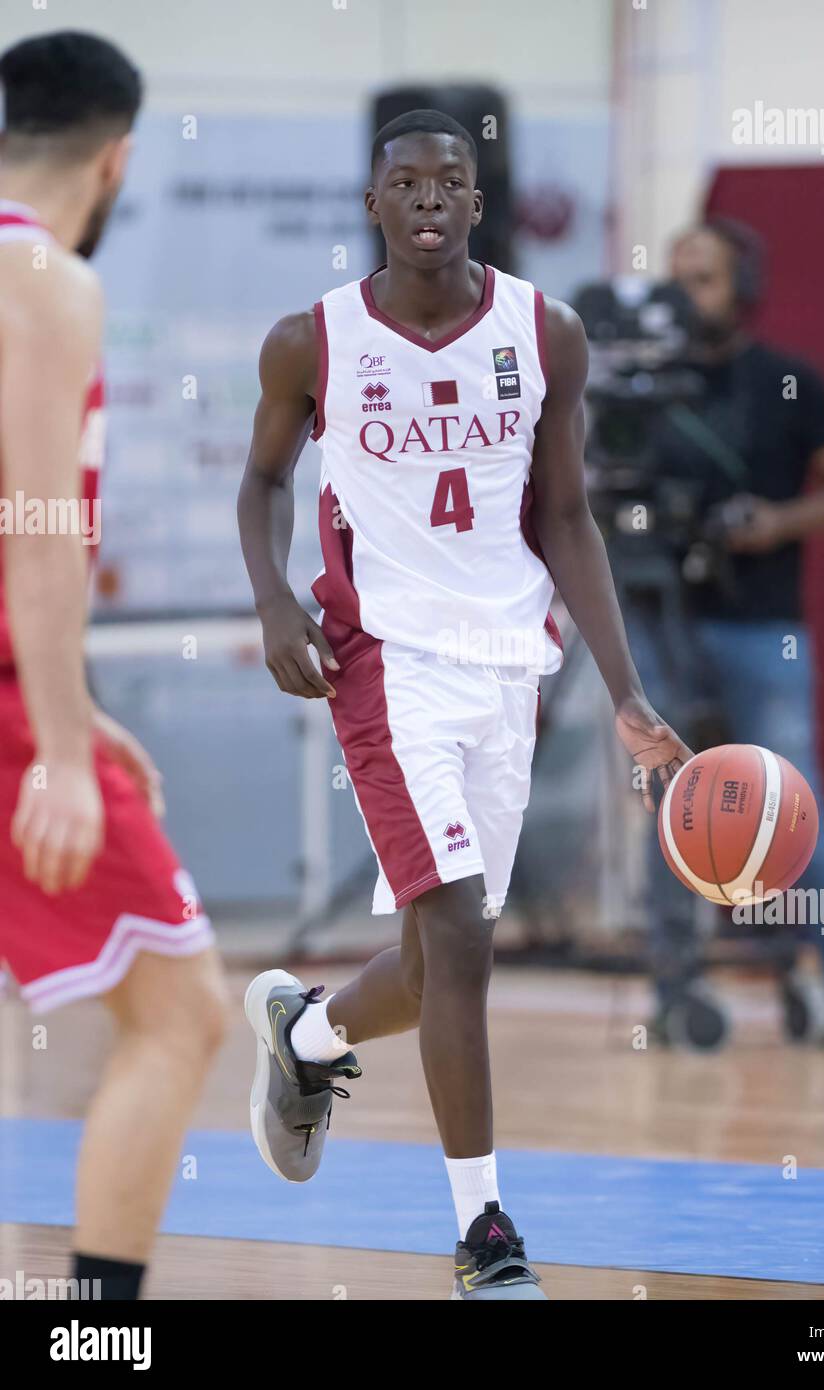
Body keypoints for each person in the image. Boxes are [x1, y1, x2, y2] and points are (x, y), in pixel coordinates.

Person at [238, 109, 692, 1300]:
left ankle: (305, 1035)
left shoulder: (547, 333)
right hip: (384, 665)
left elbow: (565, 517)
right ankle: (485, 1231)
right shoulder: (313, 341)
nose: (430, 196)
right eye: (407, 182)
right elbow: (263, 480)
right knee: (457, 938)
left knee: (442, 962)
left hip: (507, 666)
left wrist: (628, 691)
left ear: (478, 205)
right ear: (374, 204)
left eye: (452, 180)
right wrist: (275, 603)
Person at [0, 31, 228, 1300]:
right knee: (182, 1014)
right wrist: (66, 748)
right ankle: (98, 1336)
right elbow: (32, 530)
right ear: (119, 160)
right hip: (7, 710)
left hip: (28, 692)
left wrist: (77, 707)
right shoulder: (42, 279)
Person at [627, 218, 824, 1047]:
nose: (684, 295)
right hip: (659, 623)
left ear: (744, 286)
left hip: (761, 624)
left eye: (701, 278)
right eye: (675, 277)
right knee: (671, 803)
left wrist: (779, 523)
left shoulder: (790, 382)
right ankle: (675, 994)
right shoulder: (636, 390)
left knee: (793, 803)